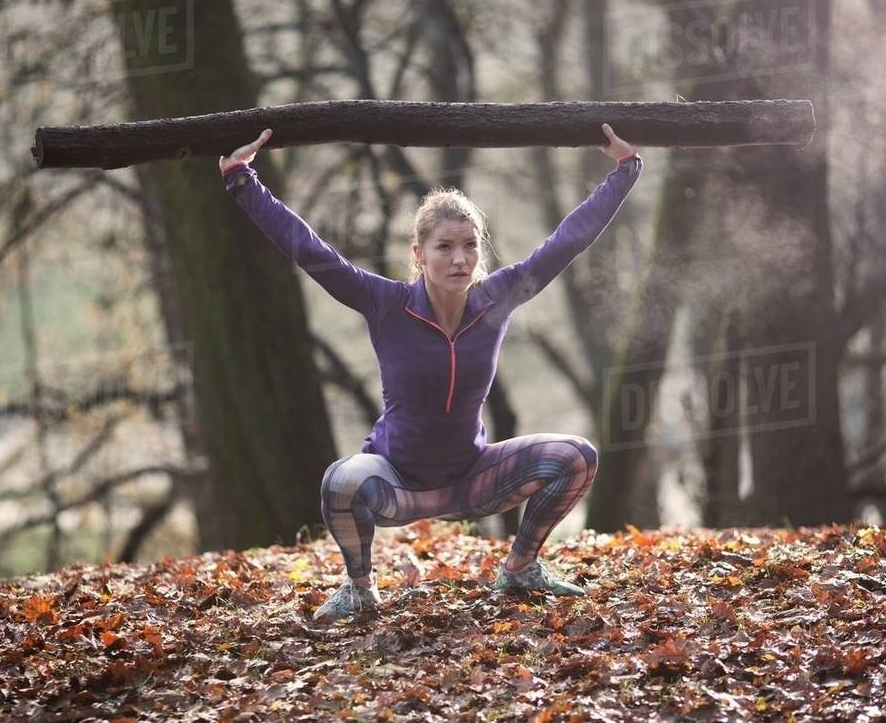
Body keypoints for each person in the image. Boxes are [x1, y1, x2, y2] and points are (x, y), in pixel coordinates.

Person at [214, 124, 642, 624]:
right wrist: (241, 179)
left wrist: (625, 170)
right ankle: (359, 588)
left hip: (471, 477)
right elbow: (309, 250)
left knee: (577, 456)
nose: (459, 258)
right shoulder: (386, 303)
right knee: (340, 481)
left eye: (469, 245)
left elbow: (565, 243)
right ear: (418, 255)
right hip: (397, 483)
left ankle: (521, 567)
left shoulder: (495, 299)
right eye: (443, 247)